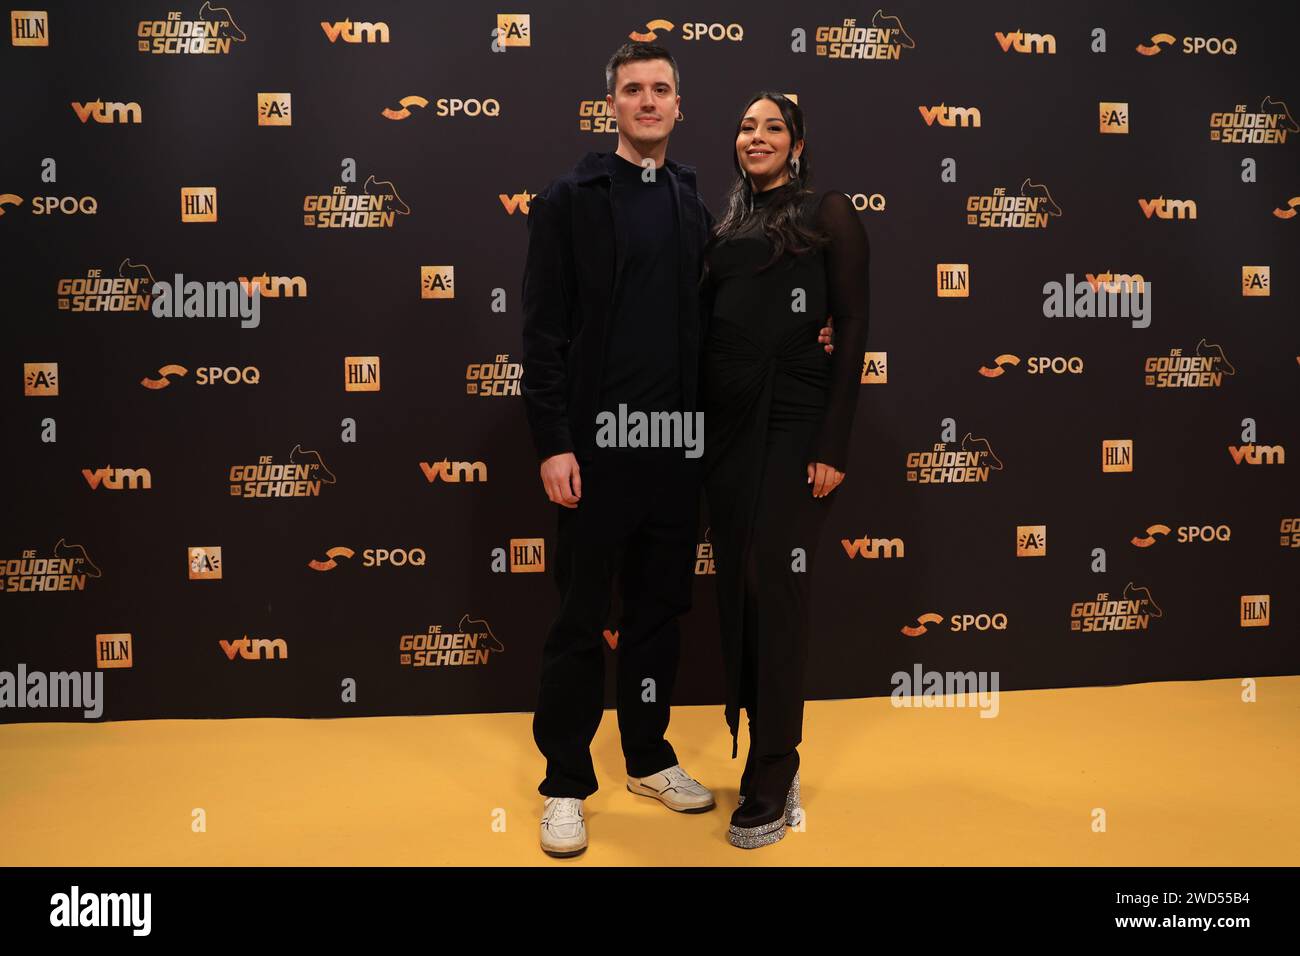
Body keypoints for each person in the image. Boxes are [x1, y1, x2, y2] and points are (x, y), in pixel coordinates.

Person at [520, 47, 834, 858]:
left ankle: (649, 756)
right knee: (581, 620)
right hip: (594, 452)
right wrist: (553, 443)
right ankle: (563, 782)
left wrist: (814, 330)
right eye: (633, 90)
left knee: (659, 614)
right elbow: (543, 333)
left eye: (661, 90)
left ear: (679, 107)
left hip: (677, 452)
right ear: (612, 105)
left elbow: (746, 303)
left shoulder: (700, 209)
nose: (648, 101)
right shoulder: (569, 200)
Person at [699, 92, 870, 849]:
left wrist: (833, 443)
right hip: (728, 428)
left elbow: (855, 326)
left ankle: (774, 770)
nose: (756, 136)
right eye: (746, 127)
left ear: (796, 143)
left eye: (772, 127)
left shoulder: (827, 212)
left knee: (775, 579)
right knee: (739, 579)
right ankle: (760, 748)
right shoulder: (728, 224)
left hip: (797, 422)